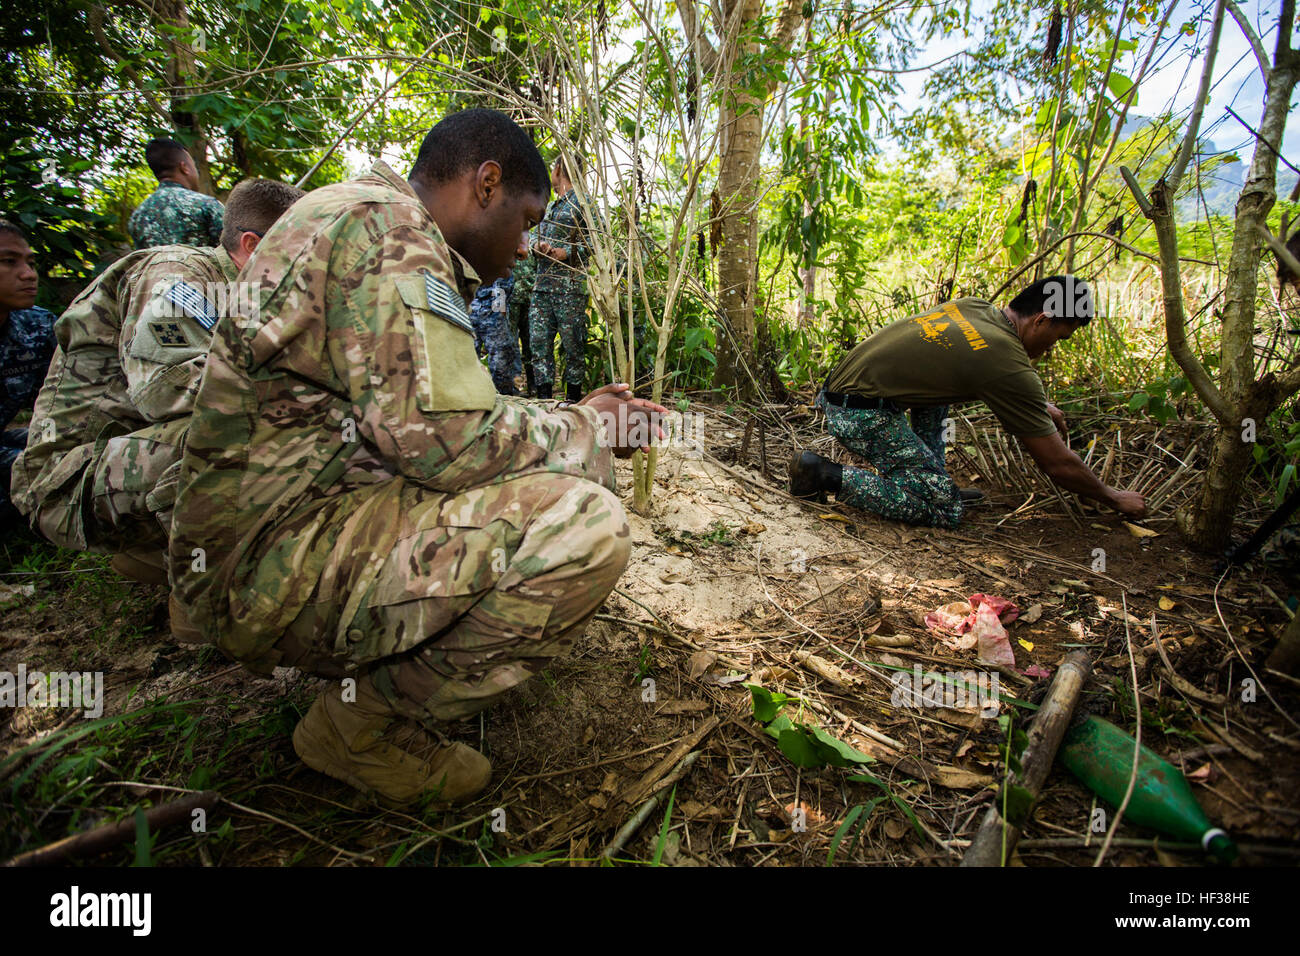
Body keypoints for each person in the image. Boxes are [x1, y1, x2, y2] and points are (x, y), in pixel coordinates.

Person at [166, 109, 666, 808]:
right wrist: (586, 429)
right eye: (526, 221)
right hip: (260, 567)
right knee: (584, 527)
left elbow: (439, 417)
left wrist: (569, 419)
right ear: (485, 184)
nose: (526, 246)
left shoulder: (361, 215)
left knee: (555, 467)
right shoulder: (391, 232)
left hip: (263, 542)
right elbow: (450, 446)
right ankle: (361, 725)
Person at [12, 179, 304, 581]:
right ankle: (207, 589)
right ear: (254, 246)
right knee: (265, 431)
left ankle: (155, 552)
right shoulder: (176, 273)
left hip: (127, 458)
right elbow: (166, 389)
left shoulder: (248, 295)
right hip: (66, 484)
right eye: (308, 248)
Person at [789, 276, 1147, 526]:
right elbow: (1058, 464)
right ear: (1042, 320)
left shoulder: (977, 309)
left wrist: (1038, 406)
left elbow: (968, 366)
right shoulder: (1006, 361)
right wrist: (1112, 496)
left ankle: (933, 476)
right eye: (1059, 338)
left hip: (846, 391)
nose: (1051, 350)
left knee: (942, 386)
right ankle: (822, 473)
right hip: (857, 412)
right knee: (943, 508)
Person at [0, 221, 56, 532]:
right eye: (9, 262)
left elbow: (59, 405)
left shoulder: (37, 325)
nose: (28, 274)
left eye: (30, 262)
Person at [529, 155, 593, 402]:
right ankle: (544, 404)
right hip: (542, 287)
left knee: (573, 349)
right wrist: (538, 246)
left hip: (570, 290)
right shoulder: (551, 206)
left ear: (558, 169)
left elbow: (596, 241)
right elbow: (532, 234)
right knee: (539, 347)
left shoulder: (583, 203)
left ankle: (572, 405)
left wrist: (566, 253)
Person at [128, 138, 225, 249]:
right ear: (184, 168)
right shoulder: (206, 206)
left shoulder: (137, 217)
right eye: (193, 166)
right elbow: (234, 254)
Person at [469, 275, 523, 394]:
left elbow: (504, 277)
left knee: (501, 361)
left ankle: (506, 396)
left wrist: (500, 306)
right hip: (469, 307)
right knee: (468, 357)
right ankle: (473, 395)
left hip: (493, 309)